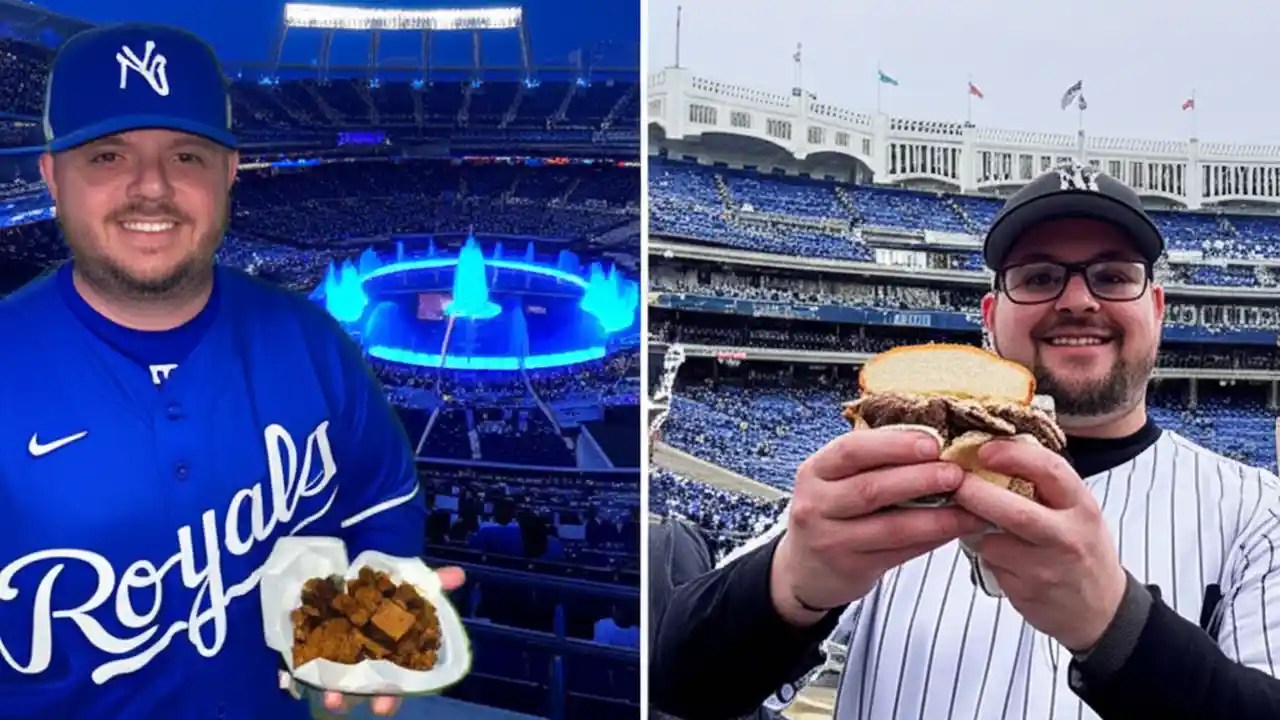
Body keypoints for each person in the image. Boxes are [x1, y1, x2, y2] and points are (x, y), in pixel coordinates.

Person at [649, 162, 1280, 719]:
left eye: (1113, 277)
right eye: (1038, 278)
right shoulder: (887, 474)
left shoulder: (1256, 510)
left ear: (1159, 307)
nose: (1079, 300)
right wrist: (789, 587)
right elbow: (678, 681)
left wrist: (1119, 627)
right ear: (989, 316)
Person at [0, 23, 462, 718]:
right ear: (51, 176)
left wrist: (373, 616)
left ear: (229, 171)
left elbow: (381, 502)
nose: (150, 187)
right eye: (107, 155)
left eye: (186, 154)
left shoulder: (311, 340)